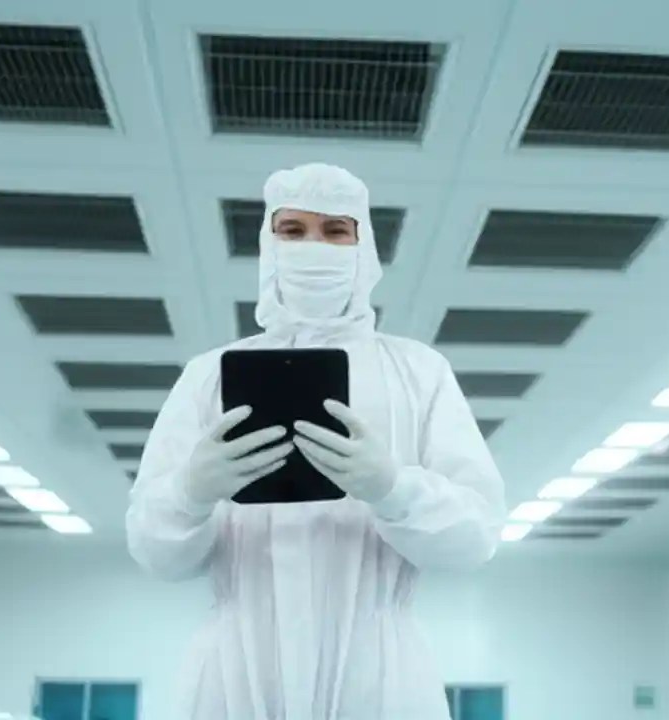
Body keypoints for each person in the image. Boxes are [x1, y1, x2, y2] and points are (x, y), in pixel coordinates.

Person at [126, 163, 506, 720]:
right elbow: (156, 554)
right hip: (235, 676)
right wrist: (189, 493)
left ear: (363, 246)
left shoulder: (419, 372)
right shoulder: (209, 376)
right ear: (268, 243)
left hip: (378, 676)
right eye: (293, 230)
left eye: (335, 231)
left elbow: (477, 537)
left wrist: (395, 489)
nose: (314, 245)